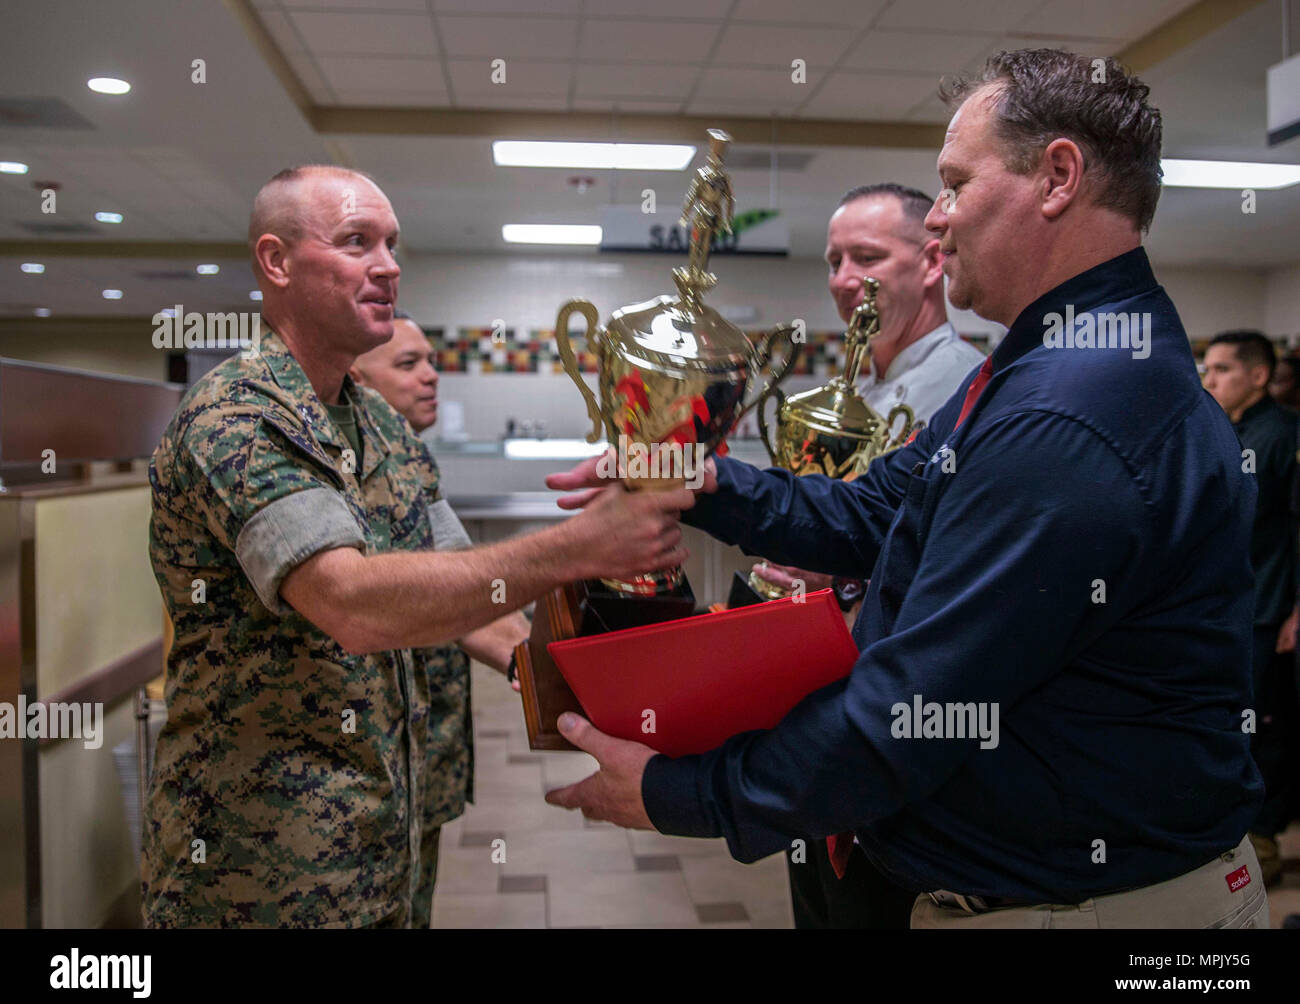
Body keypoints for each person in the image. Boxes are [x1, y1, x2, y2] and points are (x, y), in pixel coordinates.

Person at [544, 48, 1269, 929]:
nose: (941, 221)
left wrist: (679, 791)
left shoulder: (1070, 412)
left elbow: (920, 712)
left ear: (1058, 177)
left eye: (957, 185)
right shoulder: (1049, 362)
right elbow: (875, 507)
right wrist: (687, 476)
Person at [144, 165, 691, 929]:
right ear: (276, 262)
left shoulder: (380, 424)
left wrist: (581, 696)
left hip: (382, 844)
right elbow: (351, 603)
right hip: (257, 872)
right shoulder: (236, 418)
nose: (389, 265)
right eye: (356, 242)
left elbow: (472, 598)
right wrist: (578, 547)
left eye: (393, 244)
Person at [758, 183, 982, 929]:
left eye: (866, 256)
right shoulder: (855, 387)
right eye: (833, 260)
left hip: (901, 702)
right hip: (823, 685)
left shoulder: (963, 386)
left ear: (930, 261)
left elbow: (954, 559)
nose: (844, 277)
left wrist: (838, 567)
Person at [347, 313, 529, 684]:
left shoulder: (411, 458)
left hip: (430, 703)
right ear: (356, 380)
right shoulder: (333, 464)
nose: (431, 375)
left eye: (430, 361)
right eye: (408, 364)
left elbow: (457, 566)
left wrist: (528, 657)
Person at [1203, 330, 1300, 885]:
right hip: (1231, 609)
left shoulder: (1283, 435)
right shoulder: (1225, 430)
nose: (1210, 380)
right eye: (1208, 368)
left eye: (1222, 370)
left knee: (1264, 727)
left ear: (1258, 375)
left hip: (1269, 608)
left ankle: (1262, 844)